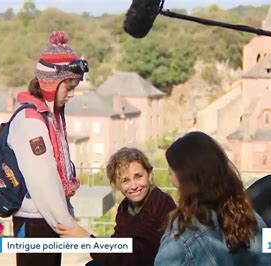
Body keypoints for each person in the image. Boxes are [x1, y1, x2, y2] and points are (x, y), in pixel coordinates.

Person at [10, 31, 85, 266]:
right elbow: (44, 180)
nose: (72, 94)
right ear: (51, 85)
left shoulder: (49, 117)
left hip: (44, 219)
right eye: (68, 87)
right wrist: (70, 226)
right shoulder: (33, 123)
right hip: (35, 222)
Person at [154, 131, 271, 266]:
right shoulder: (251, 218)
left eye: (171, 172)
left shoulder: (182, 231)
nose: (171, 178)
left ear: (185, 177)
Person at [55, 147, 176, 266]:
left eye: (138, 176)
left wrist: (87, 239)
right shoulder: (124, 207)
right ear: (117, 185)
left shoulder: (160, 202)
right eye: (125, 181)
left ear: (149, 175)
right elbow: (118, 246)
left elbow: (138, 255)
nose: (133, 185)